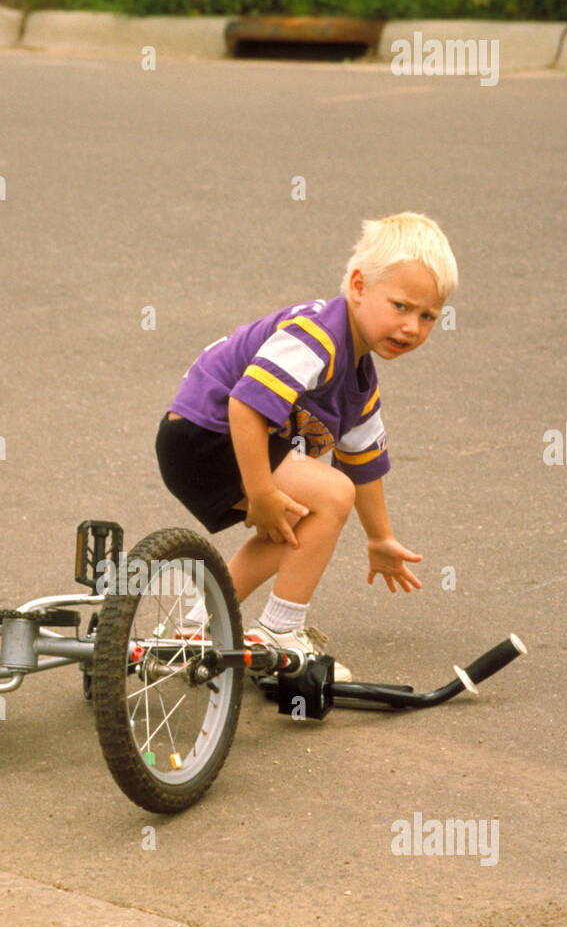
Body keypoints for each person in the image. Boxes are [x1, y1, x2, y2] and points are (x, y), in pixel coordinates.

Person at [155, 212, 458, 682]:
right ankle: (279, 632)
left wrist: (379, 538)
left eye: (428, 317)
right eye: (400, 306)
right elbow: (246, 407)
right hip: (204, 436)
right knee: (330, 496)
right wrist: (261, 493)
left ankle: (195, 629)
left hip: (215, 443)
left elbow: (364, 463)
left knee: (299, 518)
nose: (412, 327)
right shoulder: (317, 335)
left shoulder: (360, 380)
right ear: (358, 286)